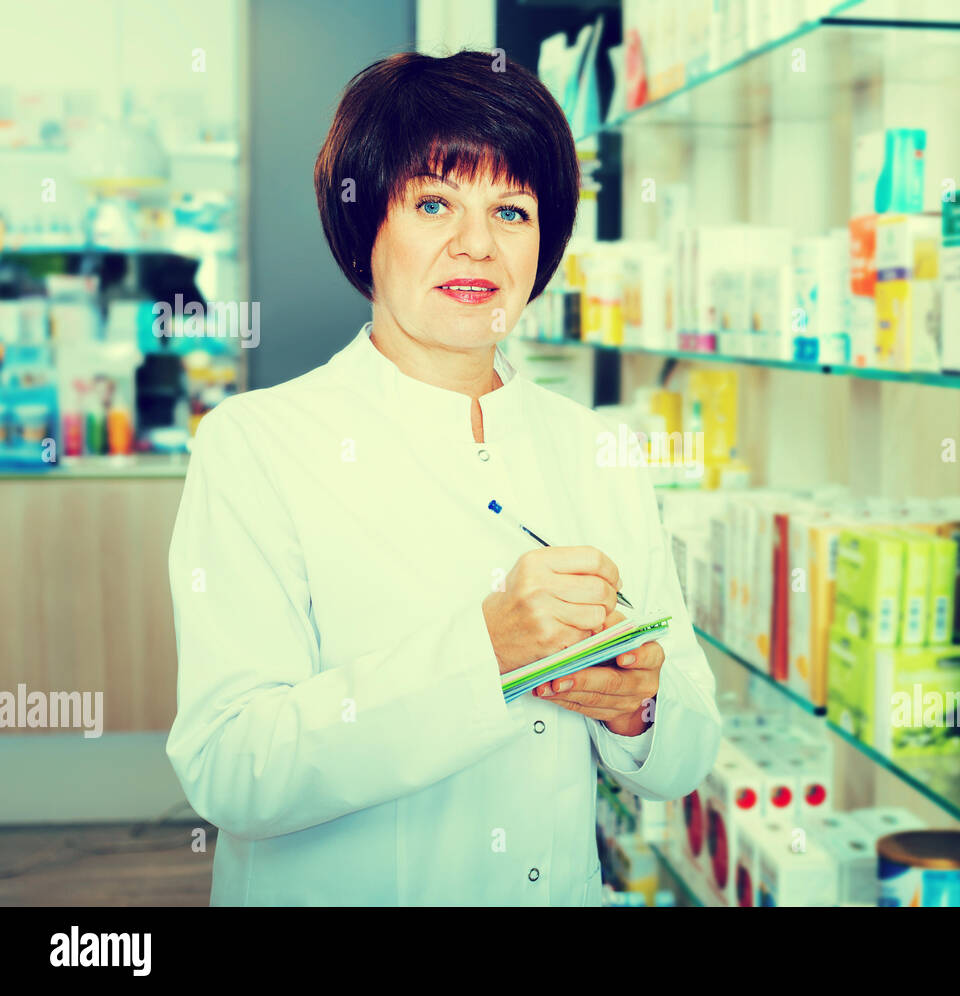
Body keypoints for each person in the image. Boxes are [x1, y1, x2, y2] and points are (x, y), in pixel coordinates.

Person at [165, 50, 721, 906]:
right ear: (365, 225)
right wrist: (488, 651)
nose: (478, 244)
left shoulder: (594, 447)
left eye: (512, 209)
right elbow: (232, 767)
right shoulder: (256, 444)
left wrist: (634, 710)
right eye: (434, 202)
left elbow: (685, 756)